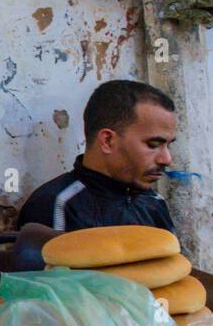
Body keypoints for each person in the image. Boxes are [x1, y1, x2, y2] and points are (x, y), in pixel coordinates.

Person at [17, 80, 177, 232]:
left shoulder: (154, 202)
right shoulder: (57, 206)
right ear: (107, 140)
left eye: (168, 145)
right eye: (153, 145)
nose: (167, 159)